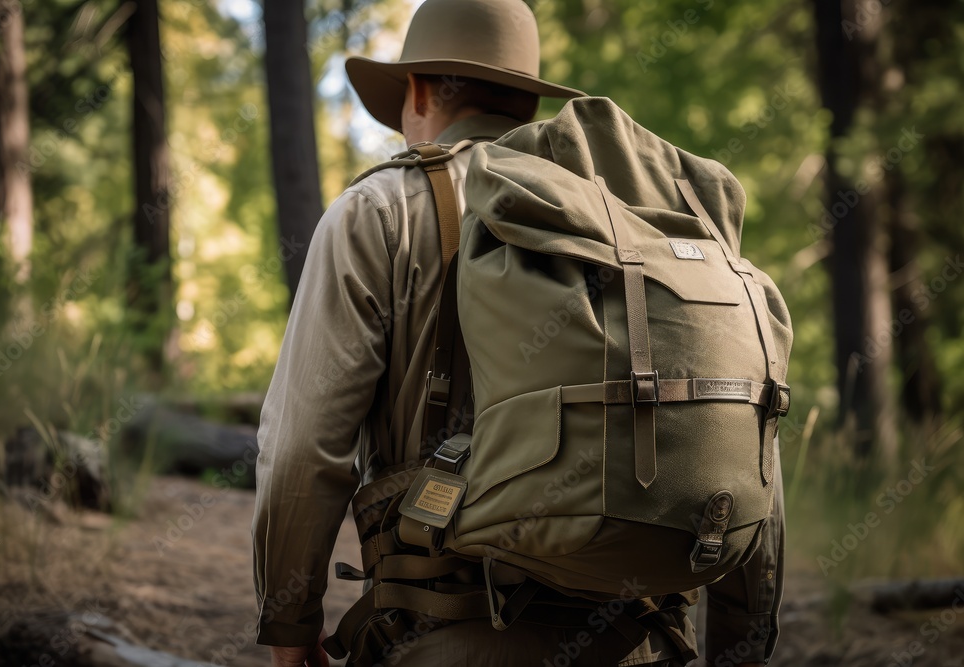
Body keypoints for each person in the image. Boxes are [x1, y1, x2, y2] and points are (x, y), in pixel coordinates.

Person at [251, 0, 784, 665]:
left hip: (440, 636)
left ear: (418, 90)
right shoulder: (644, 222)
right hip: (640, 643)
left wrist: (289, 626)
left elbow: (303, 442)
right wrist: (741, 646)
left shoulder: (379, 210)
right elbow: (745, 446)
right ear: (527, 107)